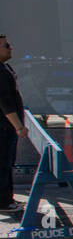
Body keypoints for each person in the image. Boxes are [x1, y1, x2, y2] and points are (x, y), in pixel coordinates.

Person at [0, 34, 27, 211]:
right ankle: (3, 201)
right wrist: (18, 126)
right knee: (2, 163)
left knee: (8, 162)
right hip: (3, 128)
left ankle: (8, 198)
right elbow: (5, 102)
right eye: (6, 45)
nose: (11, 47)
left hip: (7, 127)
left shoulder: (6, 68)